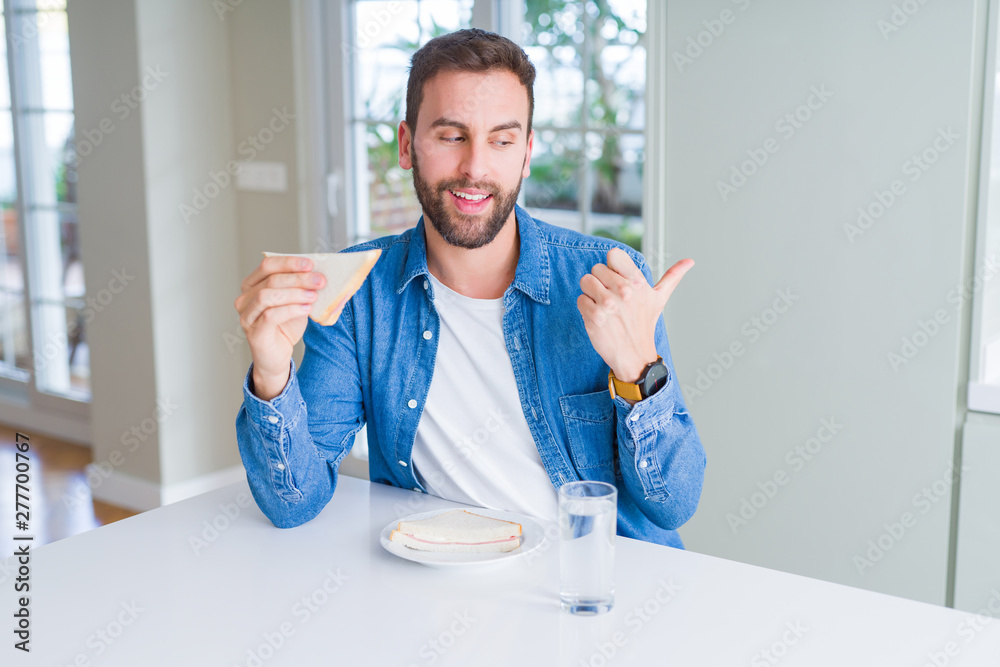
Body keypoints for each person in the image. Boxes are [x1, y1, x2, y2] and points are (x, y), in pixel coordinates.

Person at [234, 29, 705, 548]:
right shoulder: (361, 294)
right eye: (452, 136)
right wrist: (273, 371)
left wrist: (639, 370)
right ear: (408, 145)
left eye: (501, 141)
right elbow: (291, 504)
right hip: (432, 588)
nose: (476, 167)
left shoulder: (610, 282)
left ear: (525, 154)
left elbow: (674, 504)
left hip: (590, 587)